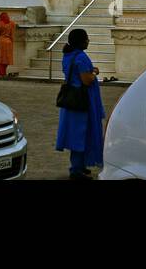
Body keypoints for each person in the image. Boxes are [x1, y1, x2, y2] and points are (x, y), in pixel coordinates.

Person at [55, 28, 105, 179]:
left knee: (77, 133)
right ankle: (76, 170)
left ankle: (80, 166)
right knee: (81, 133)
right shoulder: (81, 57)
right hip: (82, 101)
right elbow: (86, 80)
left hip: (72, 101)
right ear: (81, 41)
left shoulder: (68, 55)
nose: (88, 41)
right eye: (86, 38)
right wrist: (95, 72)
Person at [0, 11, 17, 77]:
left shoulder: (1, 23)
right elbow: (12, 34)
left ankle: (1, 73)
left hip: (1, 42)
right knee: (6, 59)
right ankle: (4, 72)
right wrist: (12, 42)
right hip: (8, 42)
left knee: (0, 59)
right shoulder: (12, 23)